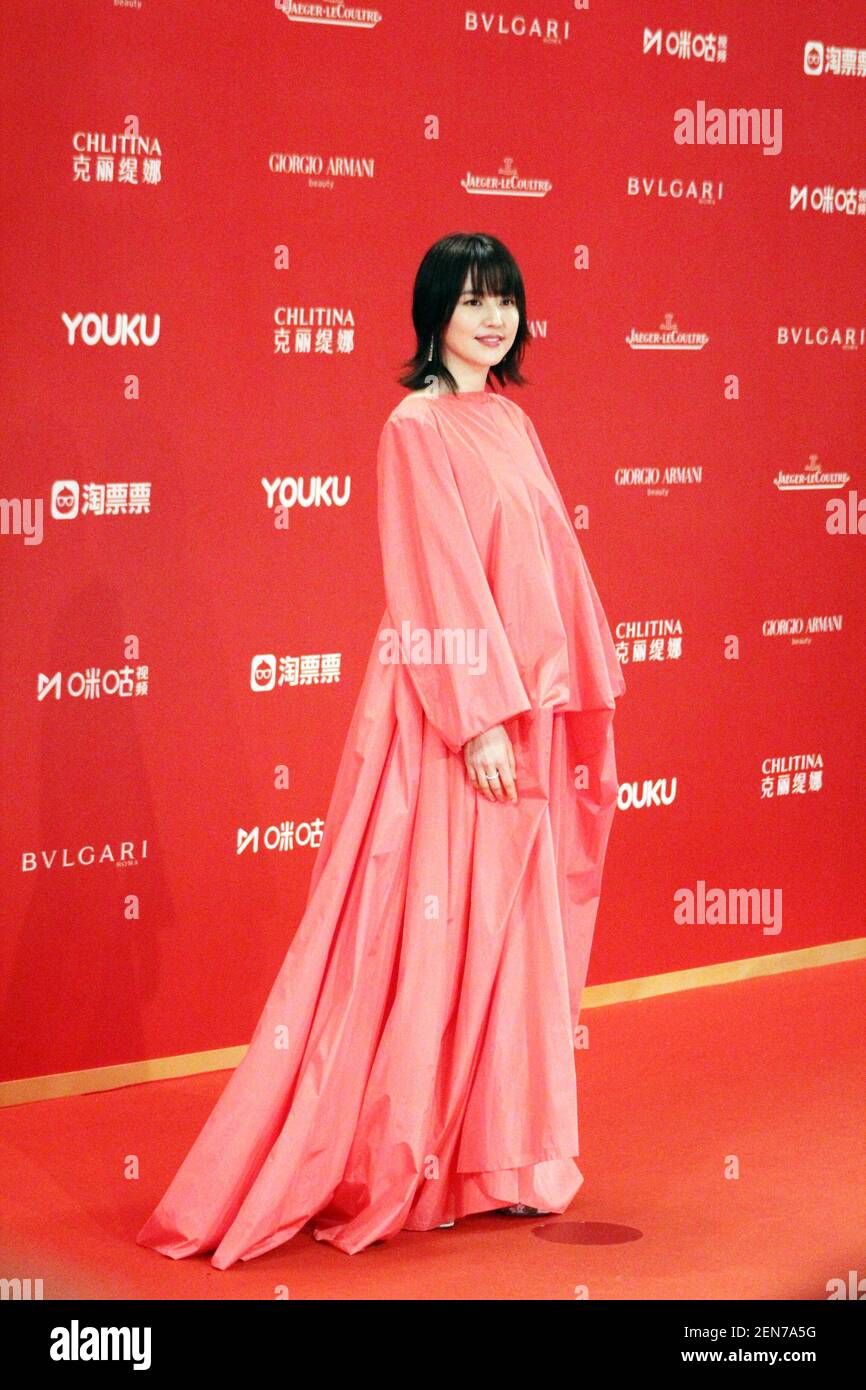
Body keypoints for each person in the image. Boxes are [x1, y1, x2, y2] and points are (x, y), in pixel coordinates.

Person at [136, 232, 626, 1265]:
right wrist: (481, 716)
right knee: (429, 936)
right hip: (452, 722)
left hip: (522, 708)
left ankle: (502, 1159)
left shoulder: (508, 417)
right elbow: (435, 574)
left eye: (506, 302)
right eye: (471, 301)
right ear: (431, 313)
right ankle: (408, 1158)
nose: (491, 319)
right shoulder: (414, 427)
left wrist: (563, 689)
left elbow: (549, 564)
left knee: (509, 940)